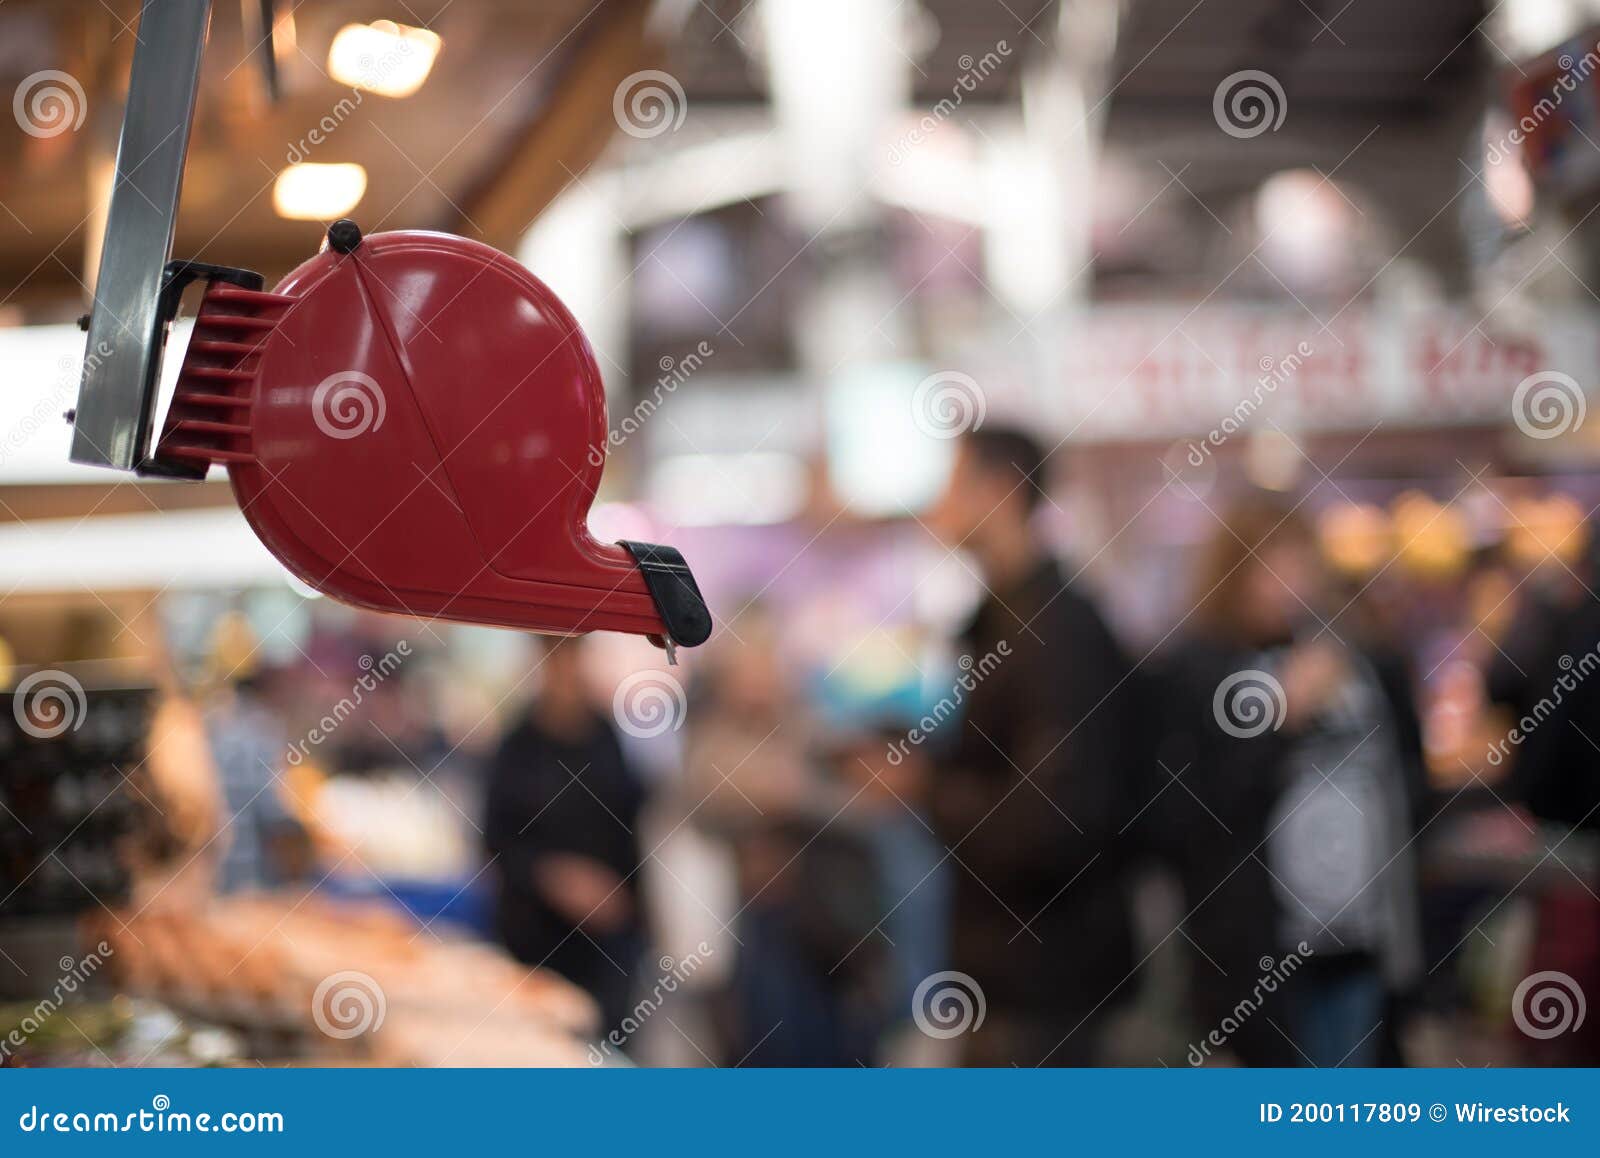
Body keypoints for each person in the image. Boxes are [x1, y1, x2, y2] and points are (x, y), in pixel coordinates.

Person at [1151, 495, 1422, 1067]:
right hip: (1263, 944)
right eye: (1270, 568)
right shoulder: (1198, 670)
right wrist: (1278, 721)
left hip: (1360, 928)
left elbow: (1402, 779)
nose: (1289, 585)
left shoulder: (1352, 660)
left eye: (1300, 566)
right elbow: (1189, 815)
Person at [924, 425, 1140, 1066]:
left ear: (1002, 490)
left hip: (1050, 980)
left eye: (955, 481)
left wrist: (929, 793)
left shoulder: (1056, 631)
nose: (939, 502)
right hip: (1006, 973)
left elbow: (1055, 820)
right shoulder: (1001, 620)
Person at [482, 636, 648, 1035]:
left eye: (572, 655)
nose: (565, 668)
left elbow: (630, 827)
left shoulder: (607, 738)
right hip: (533, 938)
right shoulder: (517, 745)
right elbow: (495, 841)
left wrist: (622, 896)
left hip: (604, 945)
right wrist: (553, 878)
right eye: (554, 656)